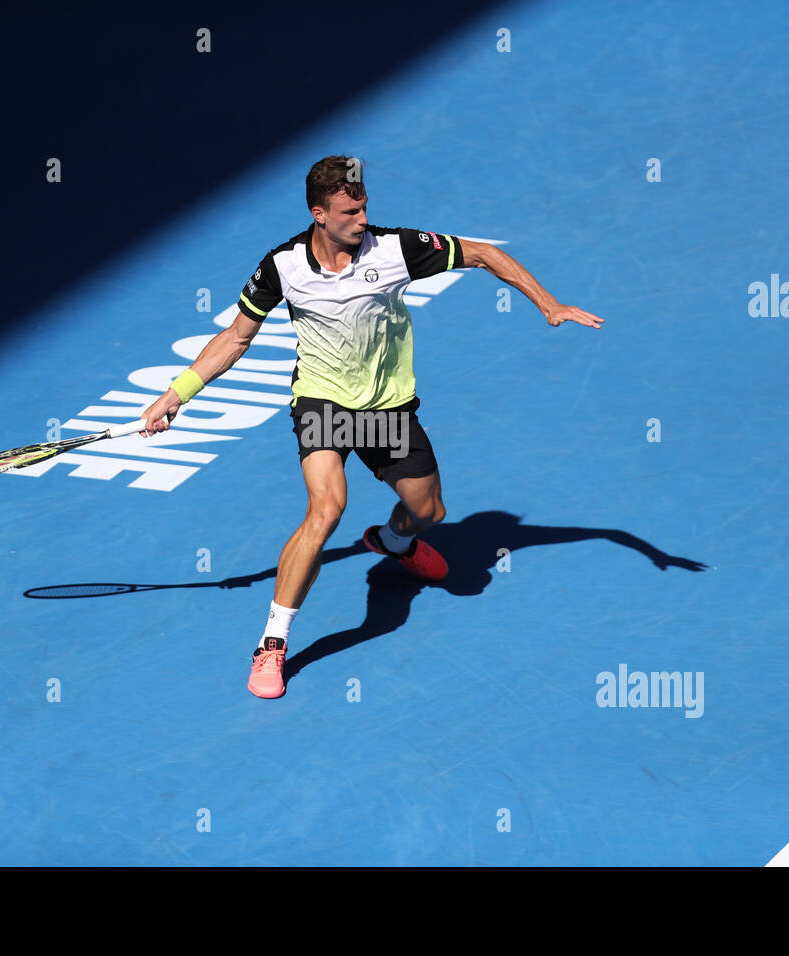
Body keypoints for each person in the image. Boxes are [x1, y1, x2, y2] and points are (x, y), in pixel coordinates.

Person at [139, 156, 604, 698]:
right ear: (319, 213)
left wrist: (548, 304)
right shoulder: (282, 266)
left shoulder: (396, 249)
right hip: (323, 404)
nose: (362, 219)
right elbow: (236, 338)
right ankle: (271, 645)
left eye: (364, 207)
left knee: (430, 512)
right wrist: (178, 395)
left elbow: (482, 253)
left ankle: (391, 542)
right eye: (349, 211)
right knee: (325, 508)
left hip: (388, 410)